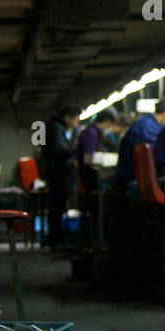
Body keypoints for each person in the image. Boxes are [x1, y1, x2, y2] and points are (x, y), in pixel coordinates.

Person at [43, 105, 80, 248]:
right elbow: (60, 150)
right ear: (68, 117)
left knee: (57, 206)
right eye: (76, 119)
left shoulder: (57, 127)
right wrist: (75, 146)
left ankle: (56, 238)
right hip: (58, 173)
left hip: (58, 172)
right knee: (57, 206)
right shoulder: (56, 128)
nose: (77, 122)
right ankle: (55, 240)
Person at [116, 100, 165, 187]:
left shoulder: (150, 124)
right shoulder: (146, 126)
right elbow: (152, 155)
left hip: (132, 174)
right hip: (131, 175)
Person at [76, 108, 117, 195]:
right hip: (89, 175)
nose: (109, 127)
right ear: (107, 121)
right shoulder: (91, 133)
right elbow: (87, 159)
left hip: (89, 174)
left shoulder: (95, 133)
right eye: (110, 124)